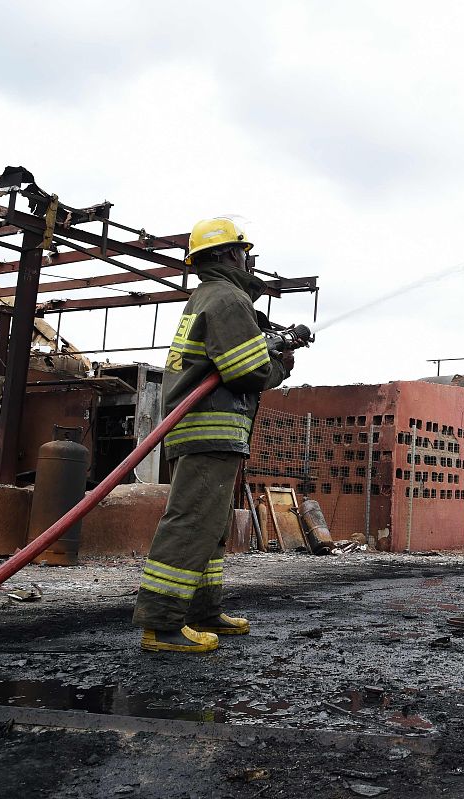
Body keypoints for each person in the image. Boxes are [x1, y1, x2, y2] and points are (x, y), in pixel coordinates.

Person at [133, 217, 296, 653]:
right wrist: (280, 366)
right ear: (228, 254)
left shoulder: (209, 296)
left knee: (210, 526)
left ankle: (202, 611)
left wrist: (270, 344)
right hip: (210, 429)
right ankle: (161, 624)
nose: (247, 259)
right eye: (243, 251)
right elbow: (246, 372)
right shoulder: (227, 298)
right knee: (191, 523)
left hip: (205, 431)